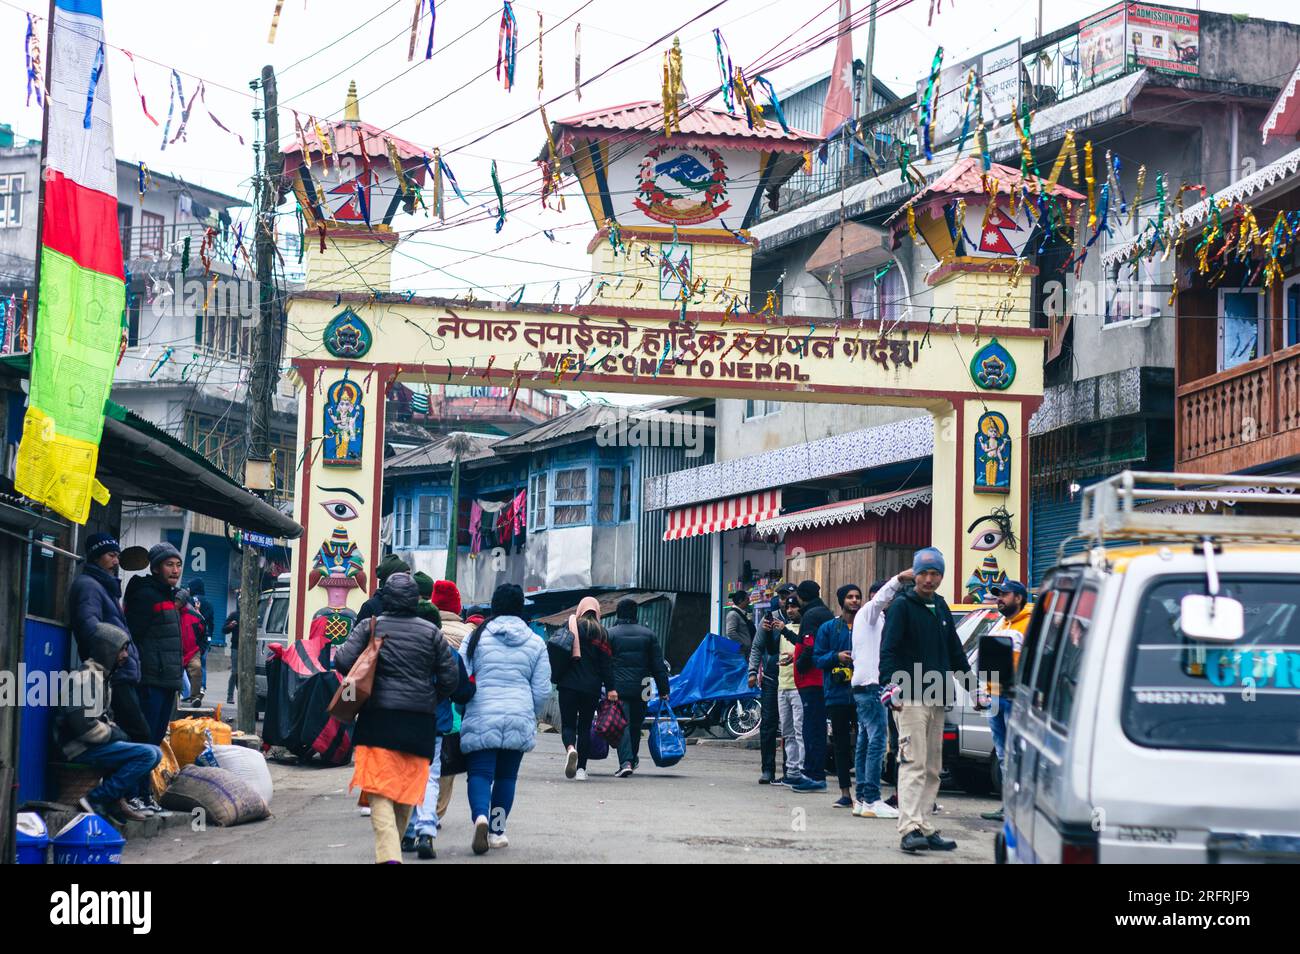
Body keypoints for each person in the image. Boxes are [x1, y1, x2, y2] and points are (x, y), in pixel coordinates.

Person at [336, 572, 459, 864]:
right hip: (419, 725)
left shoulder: (371, 626)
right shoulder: (431, 633)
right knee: (406, 789)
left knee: (379, 791)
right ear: (415, 600)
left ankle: (390, 857)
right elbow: (451, 679)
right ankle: (391, 853)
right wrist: (429, 697)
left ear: (386, 598)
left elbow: (342, 660)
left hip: (376, 721)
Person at [879, 547, 971, 854]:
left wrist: (974, 687)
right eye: (924, 573)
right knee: (912, 763)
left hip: (938, 695)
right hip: (909, 697)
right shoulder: (901, 606)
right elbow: (888, 650)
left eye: (935, 574)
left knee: (933, 767)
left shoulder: (941, 607)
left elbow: (955, 652)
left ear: (941, 576)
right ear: (914, 575)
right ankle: (909, 829)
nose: (929, 579)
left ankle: (925, 825)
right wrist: (890, 686)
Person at [458, 583, 551, 855]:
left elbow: (462, 678)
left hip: (481, 713)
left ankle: (480, 818)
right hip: (518, 715)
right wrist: (528, 712)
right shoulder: (535, 642)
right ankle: (497, 831)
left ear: (494, 606)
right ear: (520, 607)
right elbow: (543, 689)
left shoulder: (475, 638)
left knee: (480, 774)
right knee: (506, 778)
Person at [55, 623, 162, 825]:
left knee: (153, 752)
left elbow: (102, 718)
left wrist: (114, 732)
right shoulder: (85, 678)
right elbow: (82, 726)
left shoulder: (102, 677)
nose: (125, 655)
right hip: (78, 748)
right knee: (148, 754)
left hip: (92, 746)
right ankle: (97, 798)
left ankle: (113, 800)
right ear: (108, 650)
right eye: (121, 649)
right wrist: (115, 734)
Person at [68, 534, 150, 751]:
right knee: (139, 734)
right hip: (115, 673)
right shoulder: (89, 586)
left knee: (130, 734)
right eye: (111, 556)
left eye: (118, 556)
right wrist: (117, 653)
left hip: (118, 673)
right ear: (96, 557)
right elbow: (89, 627)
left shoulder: (104, 586)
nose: (116, 561)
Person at [850, 571, 912, 819]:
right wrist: (900, 578)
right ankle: (873, 800)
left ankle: (862, 799)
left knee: (866, 740)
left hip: (865, 685)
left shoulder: (874, 622)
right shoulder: (869, 613)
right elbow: (880, 599)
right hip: (870, 686)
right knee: (876, 741)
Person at [979, 580, 1032, 823]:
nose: (999, 598)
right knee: (1002, 754)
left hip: (1016, 697)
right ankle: (1008, 805)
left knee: (1017, 752)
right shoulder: (1000, 625)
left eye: (1004, 594)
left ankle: (1023, 807)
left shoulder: (1031, 623)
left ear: (1019, 598)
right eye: (998, 595)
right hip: (995, 697)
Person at [124, 543, 185, 750]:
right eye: (169, 565)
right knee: (144, 741)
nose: (175, 570)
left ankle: (145, 782)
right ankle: (135, 783)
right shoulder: (146, 595)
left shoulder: (168, 595)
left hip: (167, 681)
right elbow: (132, 636)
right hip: (150, 682)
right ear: (156, 568)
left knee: (156, 739)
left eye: (178, 565)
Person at [555, 596, 616, 780]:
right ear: (597, 611)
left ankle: (570, 749)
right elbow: (606, 665)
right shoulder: (602, 633)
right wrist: (612, 688)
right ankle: (581, 769)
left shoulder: (569, 625)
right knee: (584, 727)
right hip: (591, 688)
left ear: (580, 609)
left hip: (568, 685)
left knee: (568, 724)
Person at [607, 598, 670, 777]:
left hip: (618, 687)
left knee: (622, 725)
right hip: (644, 686)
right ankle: (632, 759)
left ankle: (626, 762)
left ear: (618, 613)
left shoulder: (610, 634)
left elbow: (604, 664)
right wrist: (664, 690)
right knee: (636, 724)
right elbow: (658, 666)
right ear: (636, 614)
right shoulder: (649, 634)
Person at [813, 584, 863, 808]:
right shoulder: (828, 628)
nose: (854, 601)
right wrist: (837, 657)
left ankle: (865, 792)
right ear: (841, 601)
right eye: (850, 597)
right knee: (841, 745)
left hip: (863, 693)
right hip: (837, 694)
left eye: (857, 597)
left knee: (867, 743)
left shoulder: (867, 626)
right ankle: (845, 793)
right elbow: (817, 659)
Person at [431, 580, 471, 821]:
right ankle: (436, 811)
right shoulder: (469, 633)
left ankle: (419, 809)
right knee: (447, 763)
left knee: (426, 763)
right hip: (455, 708)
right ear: (457, 606)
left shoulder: (428, 628)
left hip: (425, 705)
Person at [790, 580, 834, 793]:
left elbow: (809, 645)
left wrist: (799, 664)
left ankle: (814, 775)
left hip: (812, 680)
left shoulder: (811, 615)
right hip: (816, 680)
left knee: (812, 728)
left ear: (801, 596)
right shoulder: (823, 612)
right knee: (814, 727)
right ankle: (812, 772)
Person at [748, 583, 792, 784]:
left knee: (791, 728)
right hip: (771, 680)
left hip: (794, 681)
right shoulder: (769, 619)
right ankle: (767, 770)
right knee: (768, 725)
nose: (786, 602)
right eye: (782, 597)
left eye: (790, 597)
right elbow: (757, 647)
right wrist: (751, 672)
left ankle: (790, 770)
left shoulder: (803, 618)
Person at [770, 592, 805, 786]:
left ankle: (802, 772)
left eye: (794, 606)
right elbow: (769, 650)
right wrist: (768, 632)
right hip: (782, 685)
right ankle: (791, 772)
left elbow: (803, 648)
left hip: (799, 686)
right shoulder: (782, 629)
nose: (790, 610)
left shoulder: (806, 629)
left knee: (800, 731)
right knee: (787, 733)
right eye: (788, 607)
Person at [356, 554, 410, 624]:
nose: (410, 580)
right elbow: (358, 634)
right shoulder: (370, 607)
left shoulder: (411, 605)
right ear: (391, 578)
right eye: (406, 575)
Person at [186, 577, 215, 689]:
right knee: (202, 663)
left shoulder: (190, 600)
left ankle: (190, 688)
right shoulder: (209, 603)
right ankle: (202, 686)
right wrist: (210, 638)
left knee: (190, 662)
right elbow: (211, 623)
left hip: (192, 636)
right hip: (205, 638)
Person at [724, 590, 756, 656]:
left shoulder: (741, 613)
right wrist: (744, 645)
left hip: (746, 652)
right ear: (740, 601)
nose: (749, 602)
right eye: (747, 599)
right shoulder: (733, 614)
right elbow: (730, 632)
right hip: (741, 653)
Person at [223, 590, 240, 704]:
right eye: (240, 600)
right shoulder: (234, 615)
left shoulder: (252, 615)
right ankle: (230, 696)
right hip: (235, 648)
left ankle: (243, 696)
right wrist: (230, 625)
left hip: (250, 649)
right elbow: (223, 630)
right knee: (235, 672)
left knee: (244, 674)